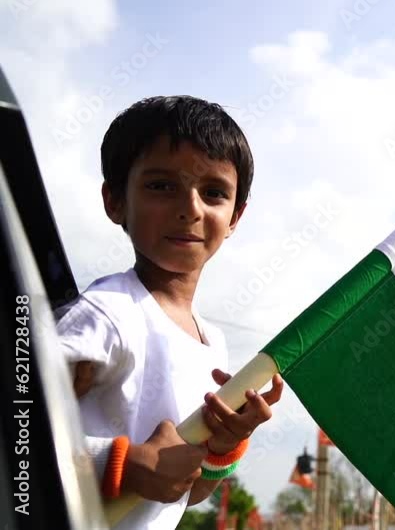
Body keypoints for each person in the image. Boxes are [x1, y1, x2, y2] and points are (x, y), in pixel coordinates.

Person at [55, 95, 283, 529]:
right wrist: (121, 464)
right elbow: (17, 439)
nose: (190, 208)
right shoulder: (105, 313)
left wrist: (224, 445)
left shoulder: (213, 344)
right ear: (115, 200)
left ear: (235, 216)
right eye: (161, 186)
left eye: (214, 193)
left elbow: (184, 492)